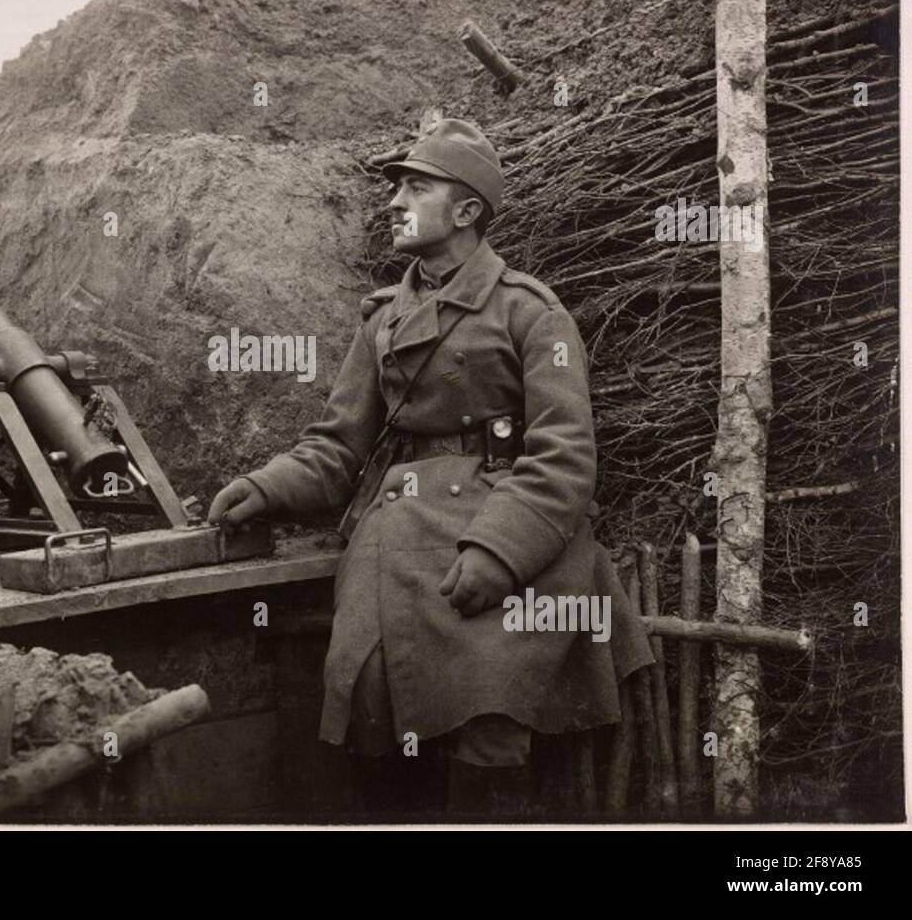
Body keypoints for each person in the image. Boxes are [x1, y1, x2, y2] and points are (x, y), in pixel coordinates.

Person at [207, 118, 653, 821]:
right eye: (397, 188)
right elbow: (337, 448)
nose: (394, 202)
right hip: (398, 546)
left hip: (508, 545)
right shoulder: (383, 320)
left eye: (416, 187)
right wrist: (267, 487)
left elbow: (565, 457)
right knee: (373, 714)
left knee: (489, 722)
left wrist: (499, 552)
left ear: (467, 211)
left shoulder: (531, 313)